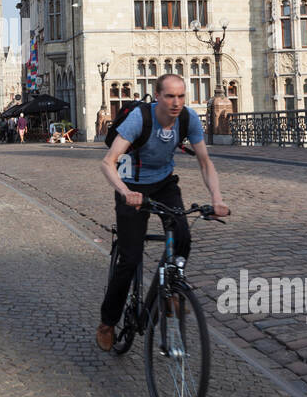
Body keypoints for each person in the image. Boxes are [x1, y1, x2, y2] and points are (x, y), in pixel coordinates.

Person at [96, 73, 229, 351]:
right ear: (157, 96)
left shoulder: (187, 119)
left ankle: (168, 290)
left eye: (181, 96)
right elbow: (108, 163)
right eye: (170, 96)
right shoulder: (139, 119)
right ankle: (108, 321)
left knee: (183, 237)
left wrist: (217, 199)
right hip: (130, 184)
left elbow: (205, 162)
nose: (176, 102)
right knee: (130, 258)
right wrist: (125, 193)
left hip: (164, 182)